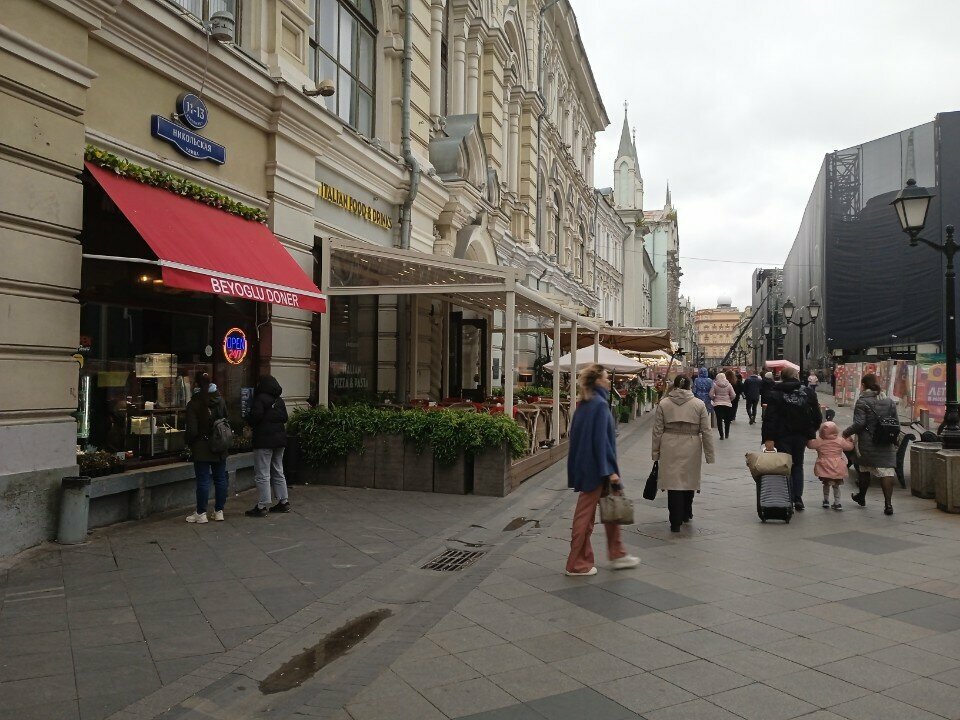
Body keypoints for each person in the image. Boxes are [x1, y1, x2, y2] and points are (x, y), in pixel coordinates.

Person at [565, 364, 640, 576]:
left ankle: (618, 554)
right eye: (606, 377)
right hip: (598, 469)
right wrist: (610, 471)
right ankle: (577, 564)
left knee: (612, 510)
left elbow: (576, 436)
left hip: (589, 466)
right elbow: (601, 442)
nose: (609, 381)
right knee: (585, 517)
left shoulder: (585, 403)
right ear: (598, 380)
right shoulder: (598, 404)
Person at [652, 376, 715, 532]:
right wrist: (709, 454)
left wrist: (655, 452)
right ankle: (686, 512)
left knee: (672, 482)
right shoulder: (699, 404)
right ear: (690, 386)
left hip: (669, 444)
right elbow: (706, 431)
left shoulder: (664, 403)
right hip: (691, 444)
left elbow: (657, 430)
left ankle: (675, 520)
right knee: (689, 479)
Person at [762, 366, 823, 511]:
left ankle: (786, 497)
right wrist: (811, 431)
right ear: (796, 376)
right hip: (801, 435)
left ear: (782, 377)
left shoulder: (776, 393)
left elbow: (770, 418)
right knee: (798, 464)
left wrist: (768, 438)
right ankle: (797, 497)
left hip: (781, 435)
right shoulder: (807, 392)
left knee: (785, 465)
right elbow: (817, 415)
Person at [843, 373, 899, 515]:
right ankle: (888, 505)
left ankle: (861, 496)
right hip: (886, 441)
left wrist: (845, 433)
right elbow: (896, 422)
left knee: (864, 469)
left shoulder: (862, 401)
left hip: (867, 443)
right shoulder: (889, 401)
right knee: (886, 471)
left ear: (863, 385)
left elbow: (859, 423)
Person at [185, 372, 229, 523]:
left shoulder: (194, 403)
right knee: (220, 478)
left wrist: (189, 443)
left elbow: (192, 431)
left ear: (196, 384)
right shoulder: (220, 400)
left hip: (201, 446)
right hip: (220, 444)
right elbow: (226, 419)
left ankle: (201, 513)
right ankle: (219, 511)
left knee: (203, 480)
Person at [245, 375, 291, 517]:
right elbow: (285, 418)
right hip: (280, 441)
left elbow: (255, 417)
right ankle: (283, 502)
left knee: (262, 473)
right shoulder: (279, 400)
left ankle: (262, 505)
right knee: (278, 470)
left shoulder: (260, 399)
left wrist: (248, 418)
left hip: (264, 441)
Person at [807, 420, 854, 510]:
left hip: (824, 466)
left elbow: (810, 445)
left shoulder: (819, 441)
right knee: (836, 485)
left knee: (826, 484)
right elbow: (849, 447)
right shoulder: (840, 440)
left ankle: (826, 500)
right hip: (838, 466)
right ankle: (837, 503)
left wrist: (809, 437)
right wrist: (849, 440)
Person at [709, 371, 736, 440]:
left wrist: (714, 399)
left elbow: (711, 394)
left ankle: (721, 435)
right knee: (727, 420)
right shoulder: (729, 385)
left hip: (717, 404)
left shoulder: (715, 385)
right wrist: (729, 399)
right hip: (727, 404)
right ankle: (727, 434)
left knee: (719, 420)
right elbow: (733, 395)